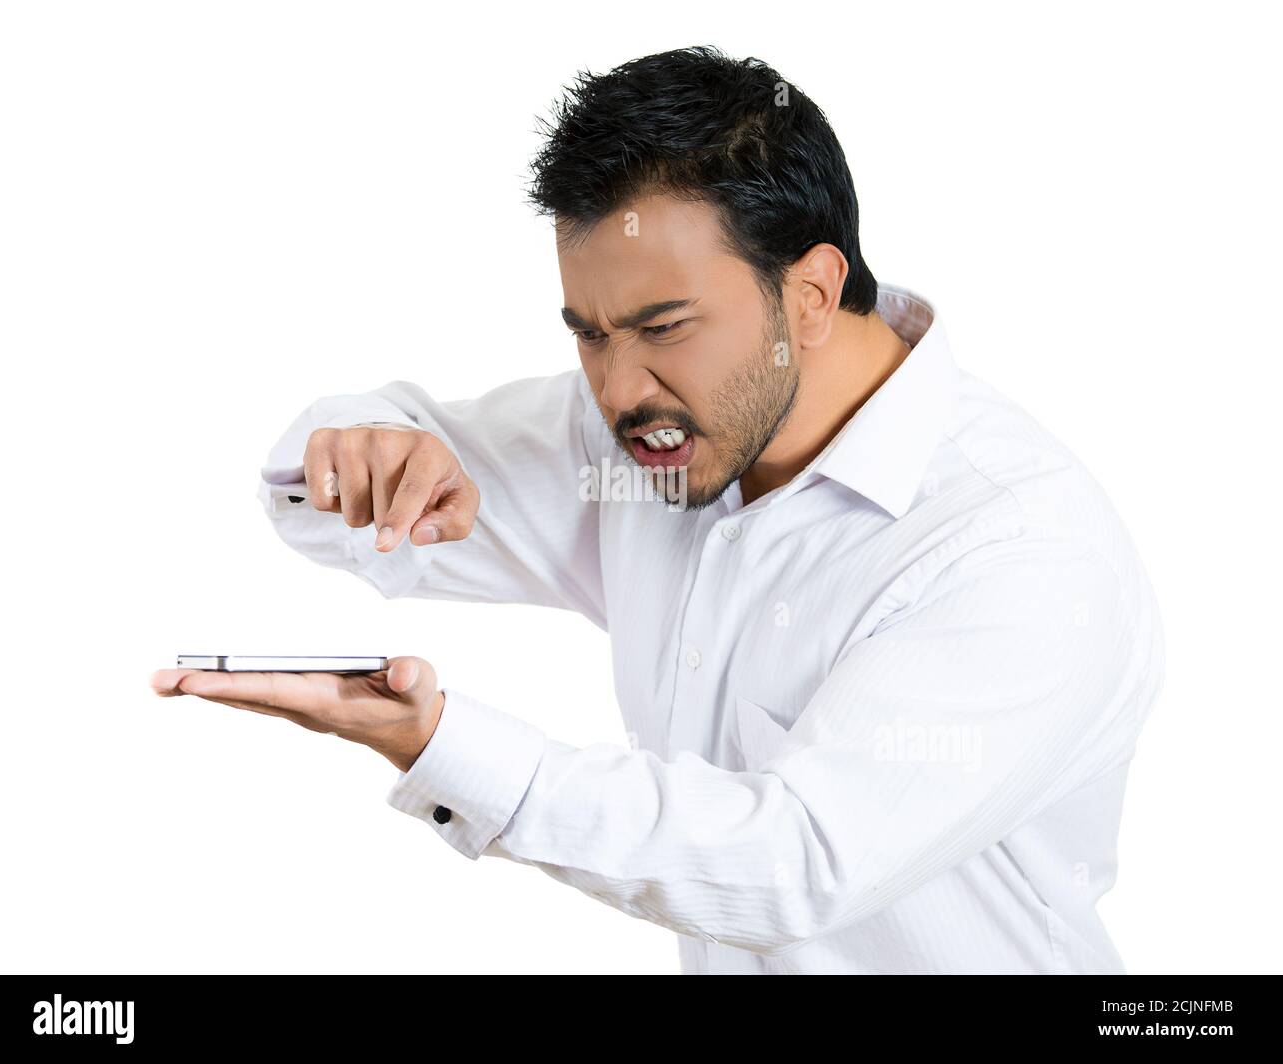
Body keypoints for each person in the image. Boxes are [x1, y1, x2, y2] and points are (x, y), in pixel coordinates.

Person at [151, 45, 1164, 974]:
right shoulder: (660, 433)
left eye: (662, 324)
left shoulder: (1017, 551)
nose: (617, 384)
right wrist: (367, 444)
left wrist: (442, 743)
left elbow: (793, 862)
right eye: (588, 332)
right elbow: (322, 503)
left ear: (809, 294)